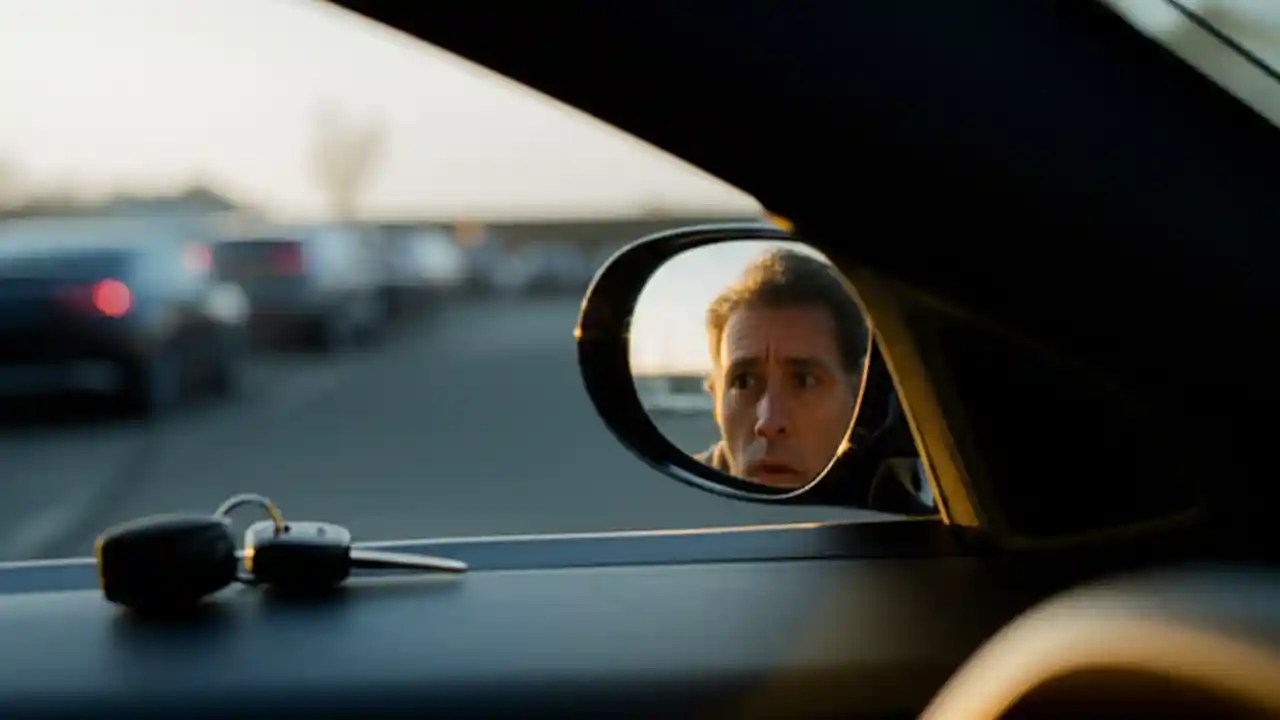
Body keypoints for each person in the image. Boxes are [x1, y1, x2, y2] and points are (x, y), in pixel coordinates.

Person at [695, 248, 869, 488]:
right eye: (743, 382)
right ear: (715, 396)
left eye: (803, 381)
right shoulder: (672, 508)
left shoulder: (900, 502)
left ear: (859, 396)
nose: (768, 423)